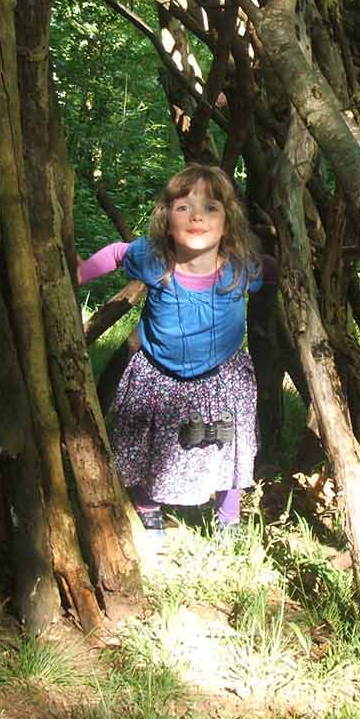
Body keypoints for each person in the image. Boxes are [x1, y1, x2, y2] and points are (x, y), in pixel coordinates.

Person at [78, 164, 275, 539]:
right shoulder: (154, 259)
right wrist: (82, 272)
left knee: (229, 443)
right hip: (159, 374)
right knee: (145, 440)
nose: (197, 216)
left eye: (211, 207)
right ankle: (148, 508)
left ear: (227, 223)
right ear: (166, 220)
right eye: (184, 207)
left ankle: (228, 517)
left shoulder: (239, 268)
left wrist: (300, 275)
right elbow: (118, 253)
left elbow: (273, 270)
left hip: (221, 376)